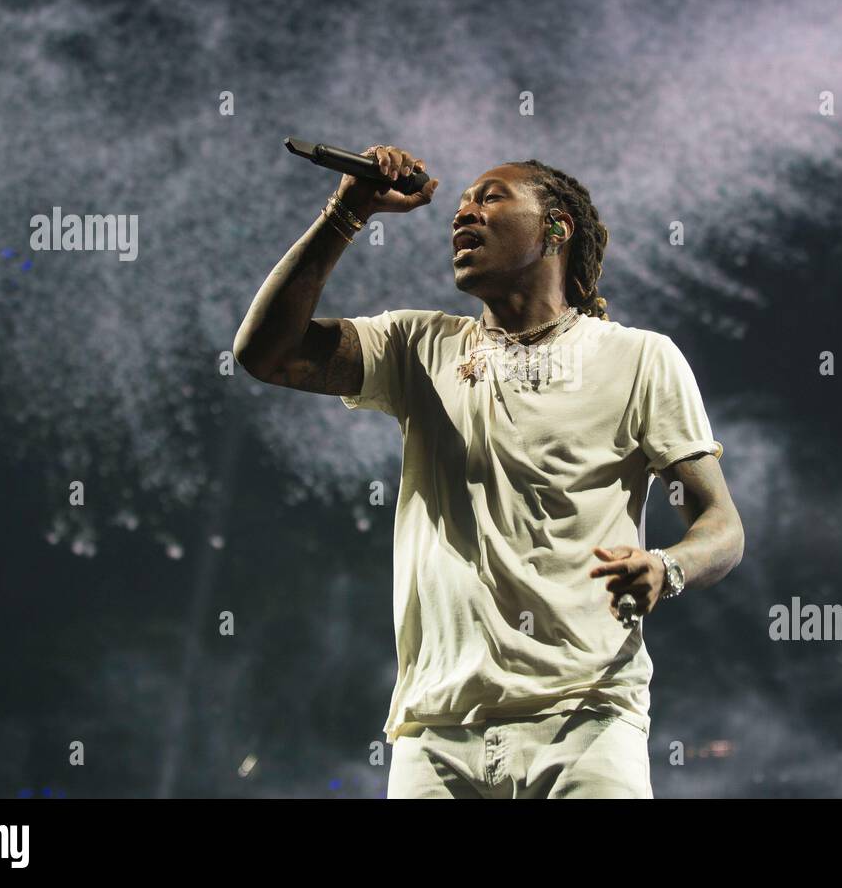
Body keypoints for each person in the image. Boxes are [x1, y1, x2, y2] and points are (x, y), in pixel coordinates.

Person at [234, 144, 745, 798]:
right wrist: (347, 209)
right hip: (435, 733)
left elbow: (721, 525)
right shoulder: (415, 346)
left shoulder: (642, 359)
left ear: (556, 228)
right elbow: (265, 354)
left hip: (586, 720)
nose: (463, 214)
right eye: (461, 204)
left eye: (491, 197)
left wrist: (666, 568)